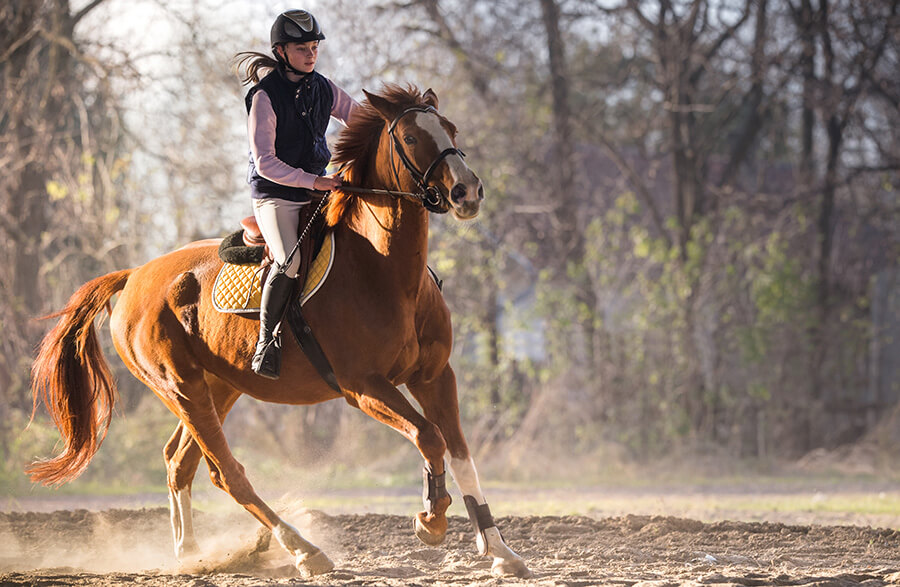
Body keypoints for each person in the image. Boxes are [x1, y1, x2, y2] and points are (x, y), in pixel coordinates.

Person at [233, 9, 359, 379]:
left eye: (314, 46)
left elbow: (361, 118)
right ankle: (266, 342)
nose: (311, 54)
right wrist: (314, 181)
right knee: (288, 261)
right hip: (276, 196)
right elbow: (265, 162)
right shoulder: (264, 97)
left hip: (317, 189)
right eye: (302, 48)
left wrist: (398, 122)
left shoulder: (325, 88)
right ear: (281, 51)